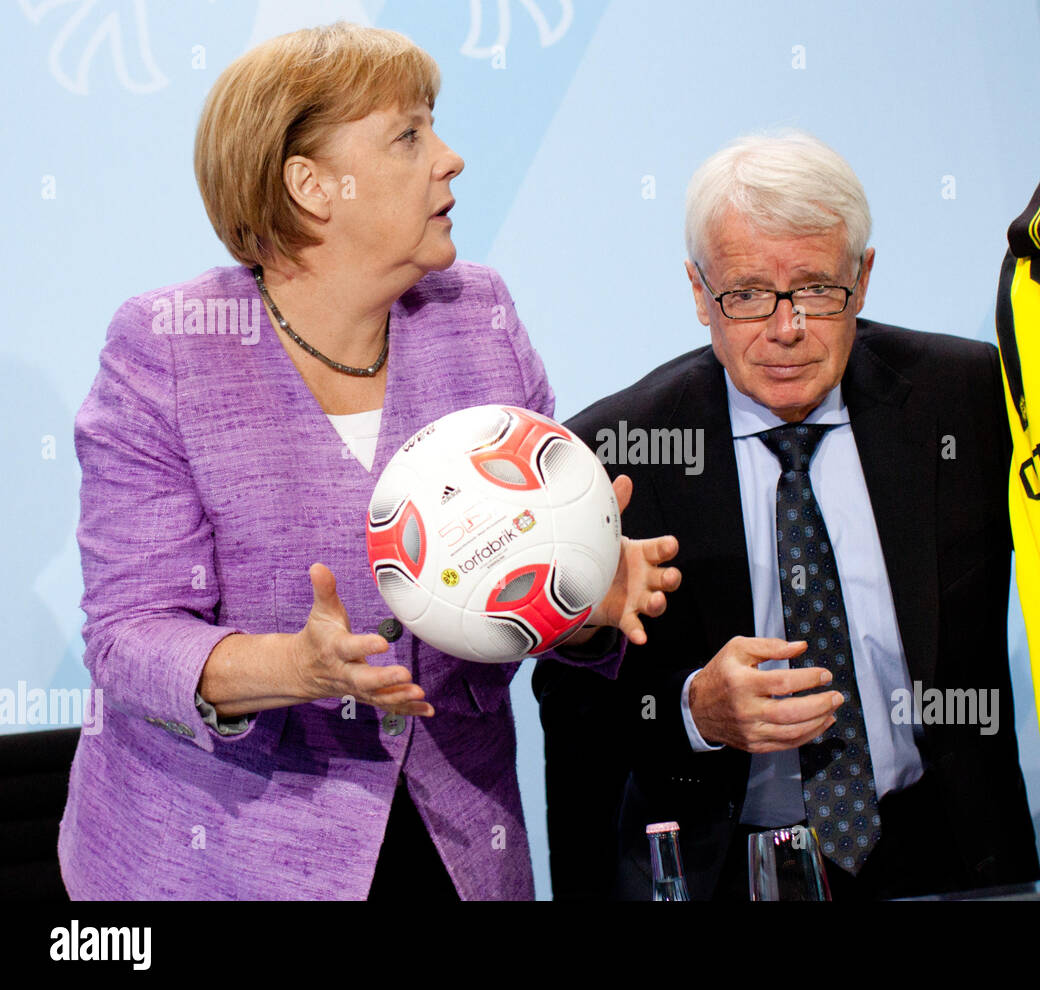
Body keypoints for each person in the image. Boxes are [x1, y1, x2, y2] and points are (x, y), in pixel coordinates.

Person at [59, 22, 679, 901]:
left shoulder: (480, 317)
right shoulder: (167, 348)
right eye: (410, 134)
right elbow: (129, 634)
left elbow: (516, 595)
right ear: (311, 187)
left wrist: (585, 596)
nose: (451, 158)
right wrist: (293, 670)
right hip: (226, 856)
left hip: (456, 837)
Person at [534, 131, 1040, 900]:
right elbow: (573, 717)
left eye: (817, 290)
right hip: (725, 865)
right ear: (698, 292)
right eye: (747, 294)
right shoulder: (613, 454)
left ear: (863, 277)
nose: (785, 329)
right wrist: (694, 711)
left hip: (943, 845)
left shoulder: (970, 399)